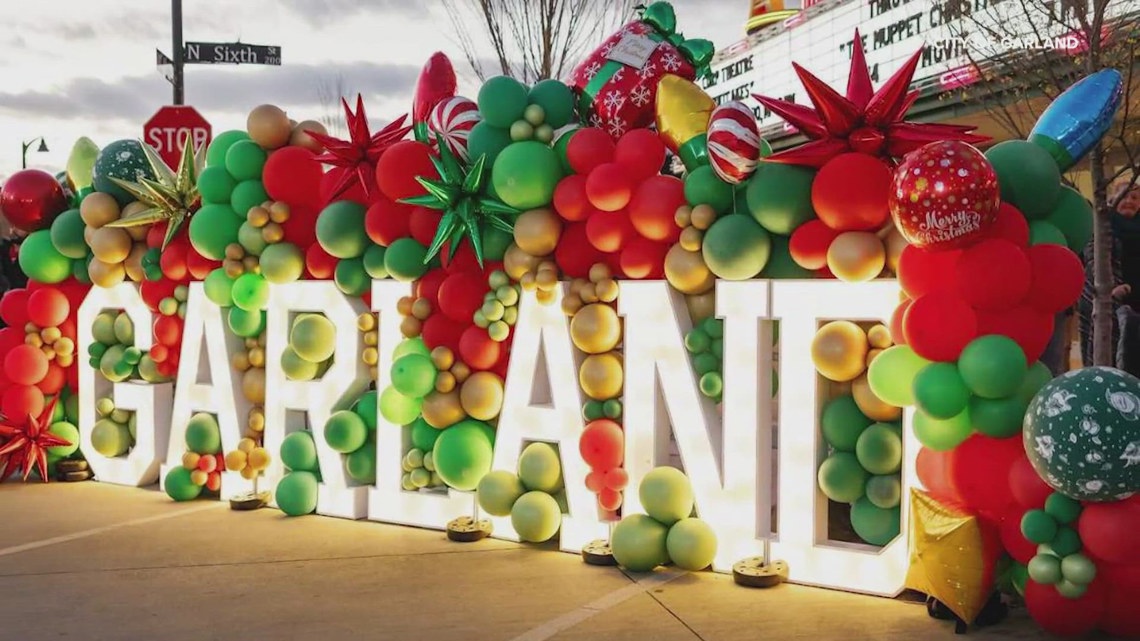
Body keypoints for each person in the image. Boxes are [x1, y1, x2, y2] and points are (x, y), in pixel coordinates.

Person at [1078, 180, 1139, 369]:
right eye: (1124, 196)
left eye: (1135, 198)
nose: (1129, 201)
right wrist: (1112, 289)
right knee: (1109, 360)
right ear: (1114, 198)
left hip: (1136, 301)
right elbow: (1091, 260)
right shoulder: (1101, 225)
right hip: (1107, 302)